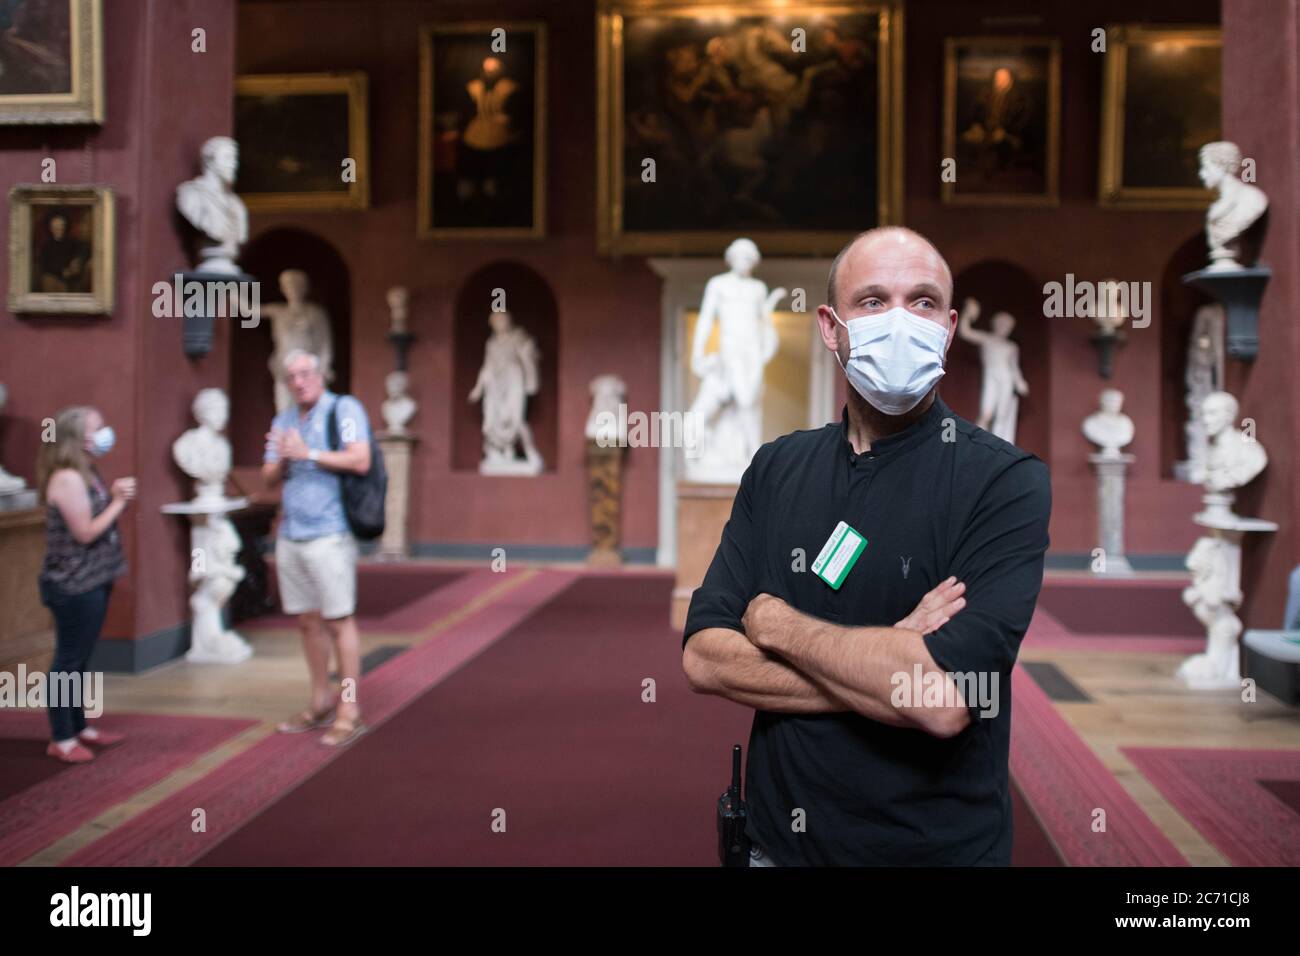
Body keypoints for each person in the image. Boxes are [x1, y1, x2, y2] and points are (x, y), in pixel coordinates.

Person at [682, 226, 1052, 866]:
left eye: (924, 303)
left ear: (949, 326)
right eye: (874, 302)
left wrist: (772, 621)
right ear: (831, 327)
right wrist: (891, 660)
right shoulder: (776, 468)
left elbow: (943, 700)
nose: (901, 322)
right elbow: (704, 659)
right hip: (775, 850)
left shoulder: (1003, 481)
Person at [263, 349, 371, 747]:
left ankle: (350, 709)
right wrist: (283, 459)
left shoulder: (343, 409)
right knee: (307, 621)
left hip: (331, 532)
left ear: (320, 374)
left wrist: (306, 452)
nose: (299, 381)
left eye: (305, 373)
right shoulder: (284, 419)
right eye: (291, 376)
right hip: (291, 534)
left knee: (339, 620)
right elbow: (268, 476)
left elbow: (360, 460)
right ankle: (320, 700)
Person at [36, 406, 133, 763]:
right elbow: (86, 531)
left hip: (93, 578)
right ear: (78, 438)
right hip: (73, 584)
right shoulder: (67, 478)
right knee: (68, 659)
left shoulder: (85, 471)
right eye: (98, 428)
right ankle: (61, 736)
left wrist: (109, 494)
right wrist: (119, 502)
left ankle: (79, 726)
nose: (106, 433)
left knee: (80, 659)